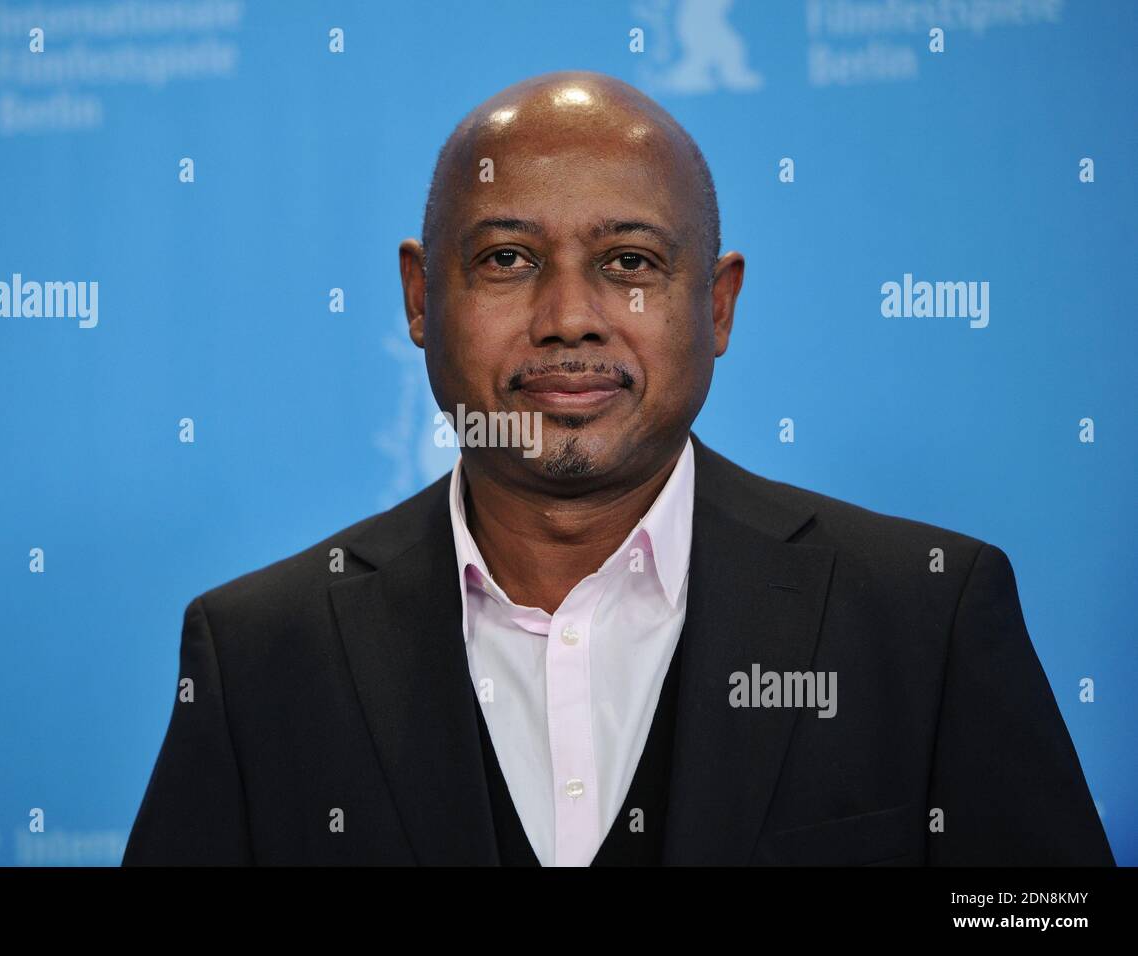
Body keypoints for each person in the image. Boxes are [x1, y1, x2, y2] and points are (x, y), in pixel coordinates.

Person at [123, 71, 1113, 866]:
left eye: (630, 263)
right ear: (420, 299)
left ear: (716, 308)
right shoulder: (257, 655)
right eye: (506, 259)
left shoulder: (923, 619)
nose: (567, 315)